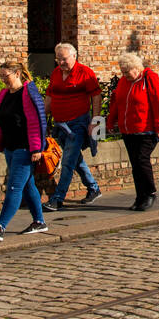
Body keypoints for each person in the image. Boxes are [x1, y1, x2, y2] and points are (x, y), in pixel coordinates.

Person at [0, 62, 48, 241]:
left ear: (17, 73)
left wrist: (37, 148)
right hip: (9, 149)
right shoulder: (4, 95)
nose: (3, 80)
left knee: (14, 187)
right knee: (28, 186)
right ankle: (39, 222)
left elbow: (37, 123)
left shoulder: (28, 93)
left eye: (6, 76)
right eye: (1, 76)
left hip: (25, 149)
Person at [43, 42, 103, 211]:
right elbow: (50, 96)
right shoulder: (56, 74)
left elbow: (96, 97)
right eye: (58, 59)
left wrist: (95, 121)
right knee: (75, 159)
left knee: (68, 161)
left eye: (64, 59)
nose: (61, 63)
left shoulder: (85, 73)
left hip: (78, 124)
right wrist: (43, 116)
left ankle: (57, 199)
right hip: (60, 124)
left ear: (74, 56)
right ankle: (93, 188)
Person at [106, 51, 159, 210]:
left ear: (136, 68)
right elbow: (117, 102)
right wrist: (111, 121)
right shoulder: (123, 82)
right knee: (135, 165)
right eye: (122, 71)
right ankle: (140, 196)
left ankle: (150, 193)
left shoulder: (149, 79)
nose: (124, 74)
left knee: (142, 160)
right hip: (128, 130)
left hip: (147, 130)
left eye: (127, 71)